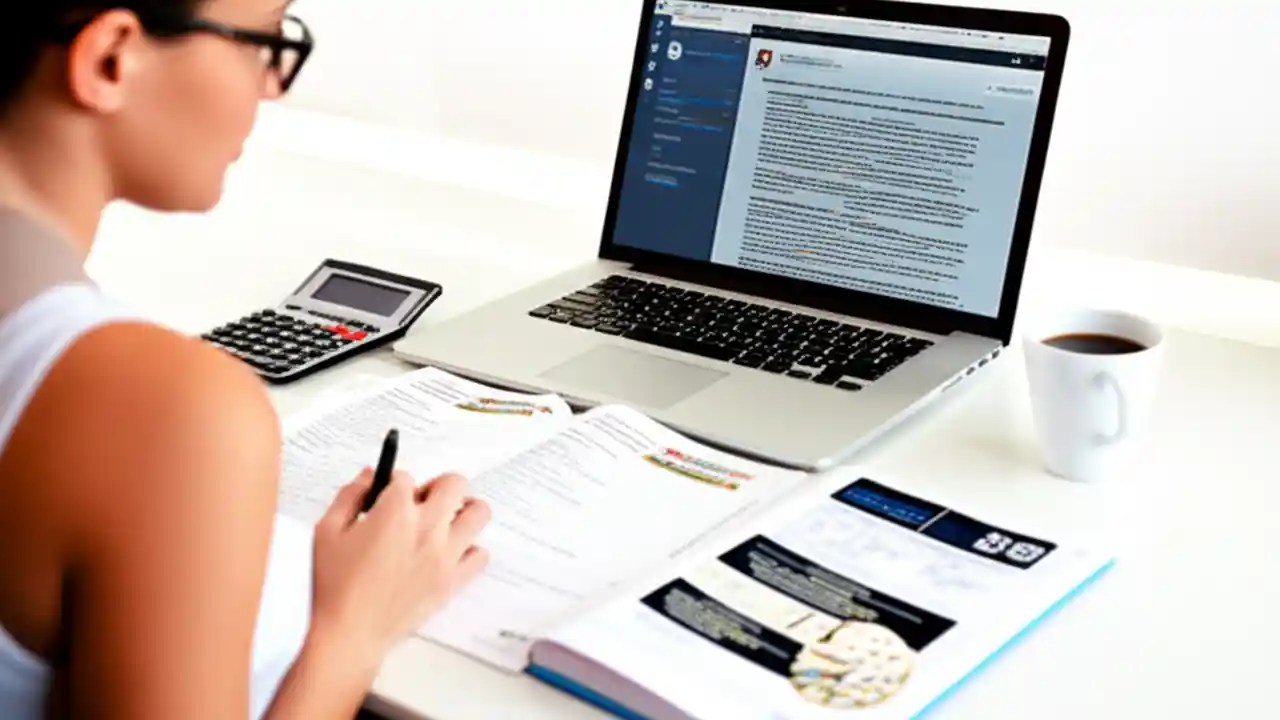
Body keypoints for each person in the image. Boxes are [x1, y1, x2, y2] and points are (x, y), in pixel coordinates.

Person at [0, 1, 492, 718]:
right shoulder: (166, 408)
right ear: (111, 56)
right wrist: (353, 629)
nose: (272, 85)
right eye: (263, 40)